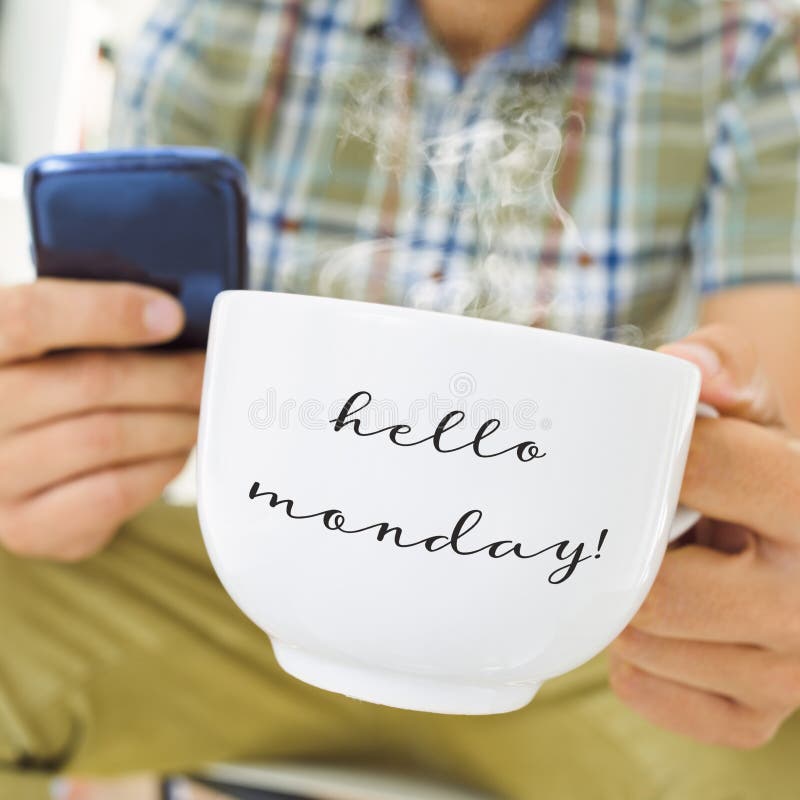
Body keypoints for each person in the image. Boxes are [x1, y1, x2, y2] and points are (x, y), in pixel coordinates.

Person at [2, 0, 800, 797]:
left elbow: (765, 420)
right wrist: (56, 450)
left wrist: (757, 533)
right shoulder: (217, 29)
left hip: (587, 640)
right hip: (243, 597)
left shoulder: (747, 51)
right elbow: (115, 365)